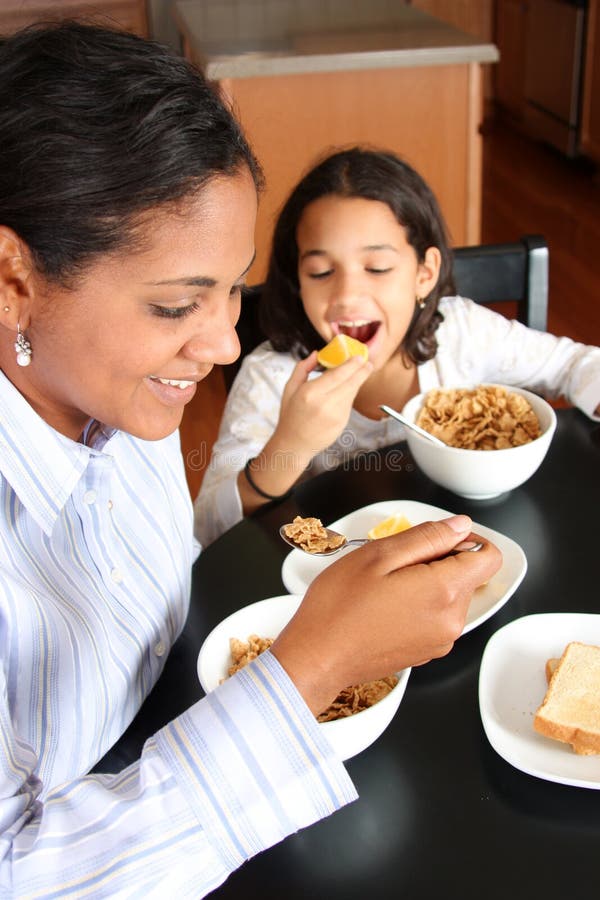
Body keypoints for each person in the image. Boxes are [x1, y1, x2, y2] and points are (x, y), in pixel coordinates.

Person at [0, 22, 501, 896]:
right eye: (175, 306)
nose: (227, 344)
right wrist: (314, 665)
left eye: (232, 288)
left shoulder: (122, 408)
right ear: (14, 278)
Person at [194, 147, 600, 546]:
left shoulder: (462, 335)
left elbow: (574, 364)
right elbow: (209, 527)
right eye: (320, 272)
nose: (347, 295)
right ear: (298, 281)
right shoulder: (274, 375)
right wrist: (291, 443)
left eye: (377, 268)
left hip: (482, 540)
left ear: (424, 274)